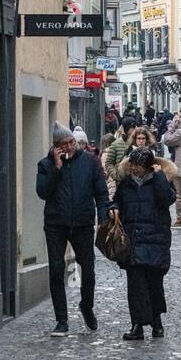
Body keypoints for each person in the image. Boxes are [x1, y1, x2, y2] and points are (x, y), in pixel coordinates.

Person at [36, 122, 110, 337]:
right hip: (55, 224)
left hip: (83, 223)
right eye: (64, 144)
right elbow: (42, 192)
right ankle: (61, 320)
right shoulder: (45, 165)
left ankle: (86, 306)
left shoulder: (90, 162)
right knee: (56, 270)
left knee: (88, 270)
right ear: (55, 146)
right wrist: (56, 168)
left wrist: (102, 217)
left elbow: (101, 193)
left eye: (71, 142)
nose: (69, 147)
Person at [111, 146, 176, 340]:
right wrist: (113, 209)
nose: (134, 169)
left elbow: (167, 199)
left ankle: (156, 322)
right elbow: (117, 201)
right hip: (133, 241)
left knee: (154, 284)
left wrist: (159, 177)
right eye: (132, 164)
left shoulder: (159, 181)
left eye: (138, 166)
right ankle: (137, 324)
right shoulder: (126, 184)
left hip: (155, 241)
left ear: (147, 167)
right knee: (135, 285)